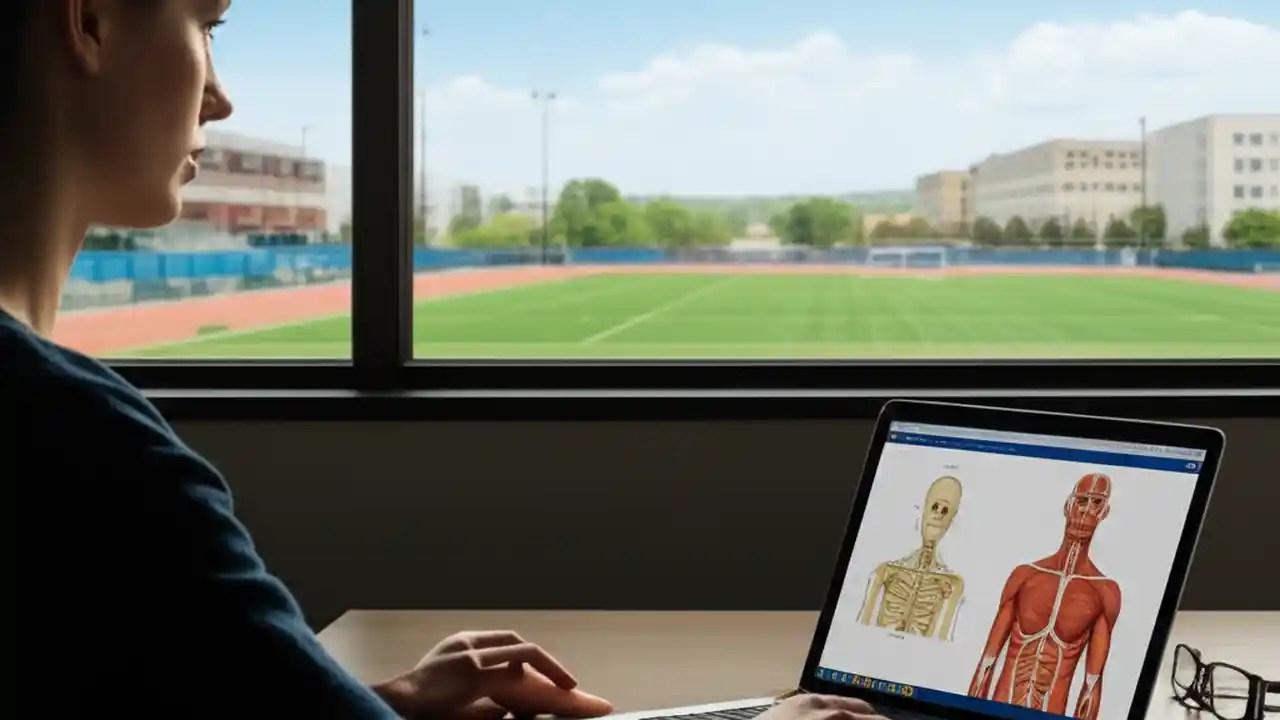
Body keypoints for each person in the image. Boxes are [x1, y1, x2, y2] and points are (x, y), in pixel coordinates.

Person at [2, 1, 888, 718]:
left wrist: (369, 701)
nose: (220, 96)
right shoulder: (84, 446)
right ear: (88, 21)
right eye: (208, 23)